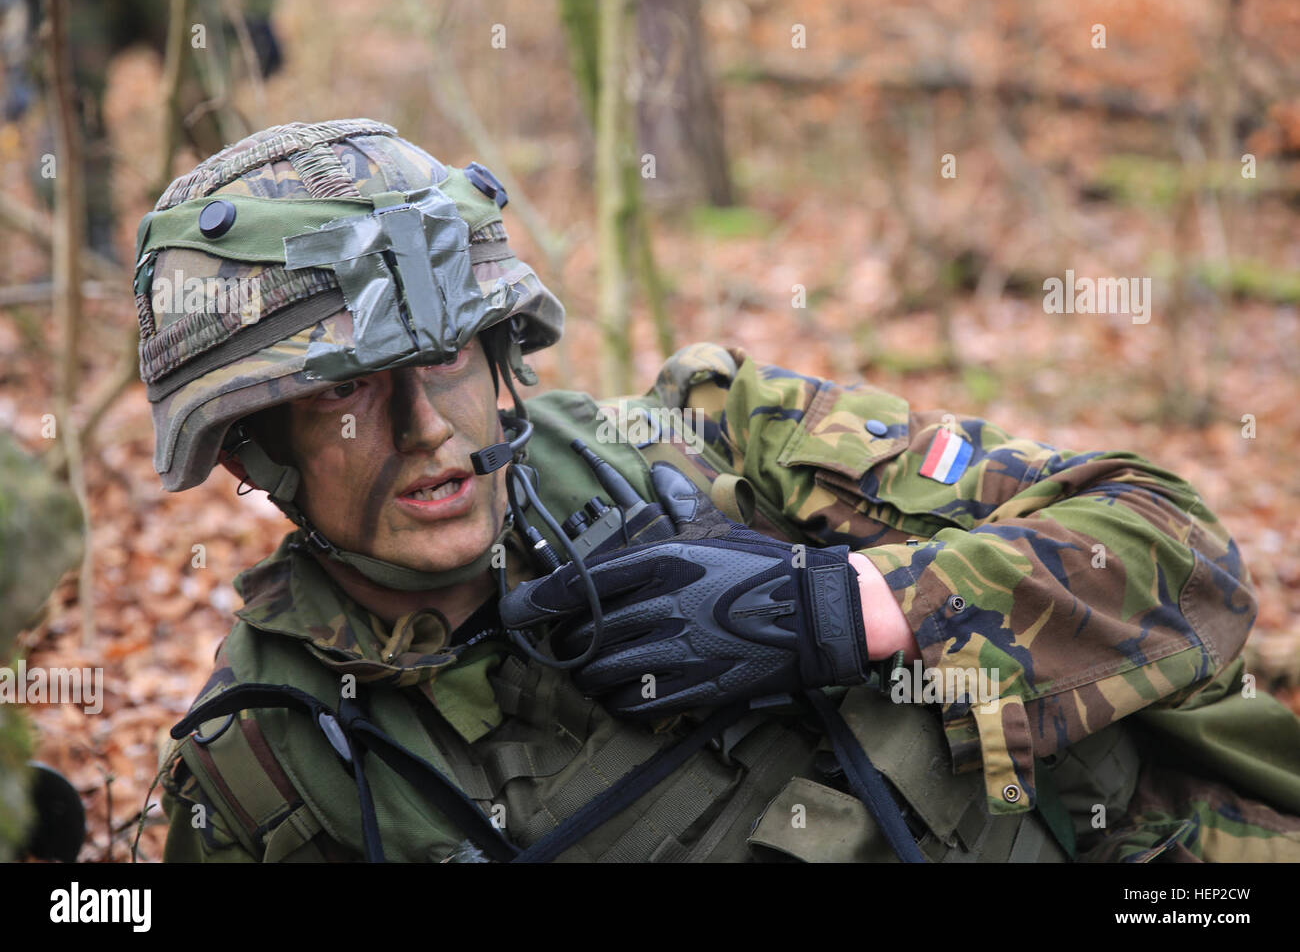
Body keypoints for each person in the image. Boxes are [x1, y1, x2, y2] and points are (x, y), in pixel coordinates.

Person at [139, 118, 1300, 863]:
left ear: (502, 358)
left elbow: (1174, 546)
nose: (428, 433)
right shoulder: (262, 774)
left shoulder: (710, 442)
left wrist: (847, 605)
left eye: (444, 361)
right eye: (349, 398)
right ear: (253, 449)